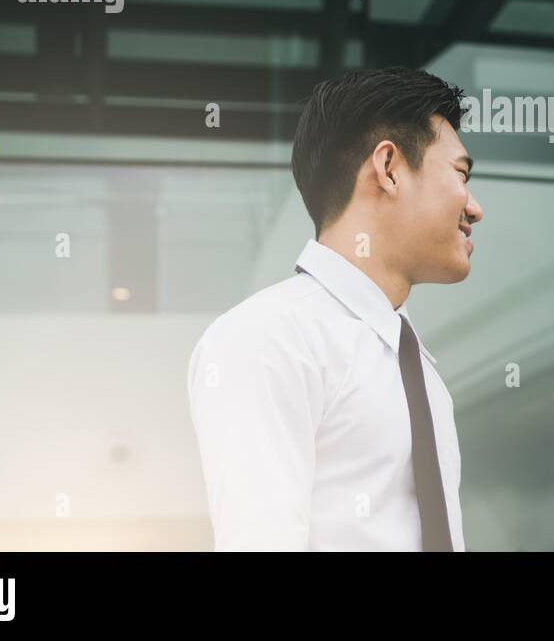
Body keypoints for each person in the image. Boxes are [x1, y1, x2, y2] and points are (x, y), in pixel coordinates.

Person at [188, 67, 483, 550]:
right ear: (388, 167)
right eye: (460, 174)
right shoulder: (267, 338)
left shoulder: (418, 367)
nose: (474, 208)